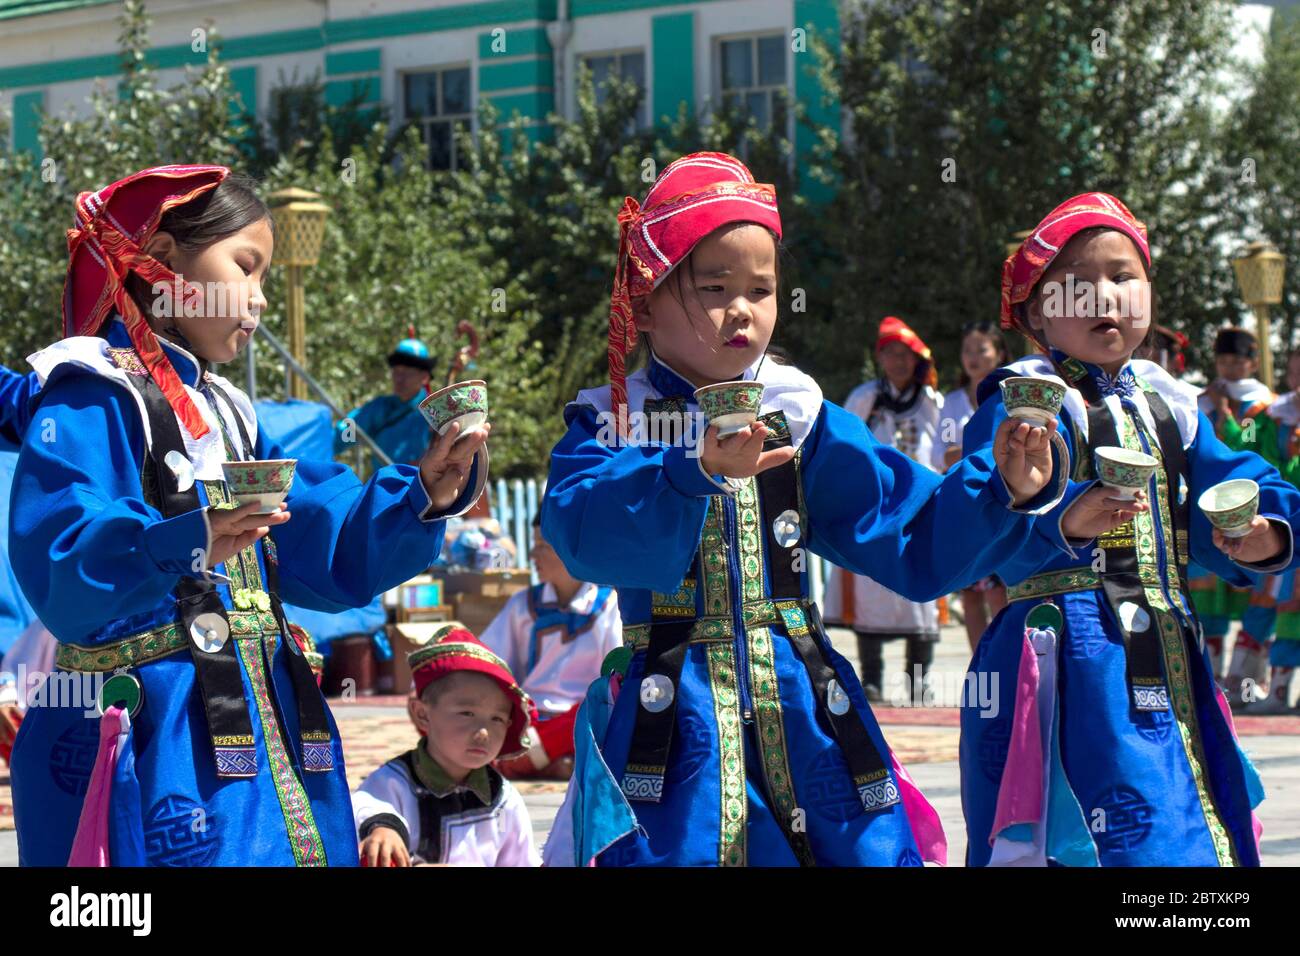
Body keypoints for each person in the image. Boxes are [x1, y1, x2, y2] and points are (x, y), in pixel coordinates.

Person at [540, 151, 1064, 867]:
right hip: (672, 716)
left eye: (761, 289)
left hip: (804, 705)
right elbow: (581, 532)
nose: (742, 310)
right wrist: (688, 472)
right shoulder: (615, 420)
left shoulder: (796, 411)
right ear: (646, 299)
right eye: (715, 286)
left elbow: (905, 530)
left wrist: (1003, 486)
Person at [9, 165, 490, 866]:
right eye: (246, 267)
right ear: (165, 261)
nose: (259, 300)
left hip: (264, 731)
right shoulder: (93, 392)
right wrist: (180, 539)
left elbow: (319, 532)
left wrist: (424, 493)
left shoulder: (231, 413)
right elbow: (62, 551)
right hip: (159, 733)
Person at [960, 192, 1300, 866]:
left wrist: (1266, 532)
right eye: (1077, 287)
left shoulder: (1170, 405)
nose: (1103, 299)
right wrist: (1061, 516)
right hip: (1066, 663)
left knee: (1190, 823)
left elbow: (1249, 483)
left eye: (1123, 278)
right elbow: (978, 515)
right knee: (1094, 835)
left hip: (1168, 652)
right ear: (1034, 313)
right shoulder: (1021, 402)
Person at [823, 316, 944, 703]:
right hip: (874, 507)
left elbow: (944, 447)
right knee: (870, 587)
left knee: (921, 591)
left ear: (916, 358)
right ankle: (871, 678)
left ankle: (917, 680)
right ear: (881, 359)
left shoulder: (931, 401)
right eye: (890, 354)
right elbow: (840, 442)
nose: (898, 362)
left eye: (904, 354)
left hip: (922, 504)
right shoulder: (864, 397)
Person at [352, 625, 541, 866]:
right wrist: (383, 829)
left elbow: (520, 860)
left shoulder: (503, 799)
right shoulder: (395, 782)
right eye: (466, 713)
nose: (483, 732)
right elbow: (367, 807)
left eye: (497, 719)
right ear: (422, 714)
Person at [481, 514, 622, 779]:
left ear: (572, 550)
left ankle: (521, 761)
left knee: (594, 716)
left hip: (577, 718)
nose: (533, 553)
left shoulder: (610, 607)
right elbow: (490, 662)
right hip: (529, 717)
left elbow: (615, 681)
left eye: (543, 545)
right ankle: (552, 761)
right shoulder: (522, 604)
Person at [1195, 327, 1275, 700]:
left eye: (1237, 362)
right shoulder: (1200, 400)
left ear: (1252, 363)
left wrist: (1225, 414)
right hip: (1204, 508)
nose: (1229, 369)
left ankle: (1246, 685)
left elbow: (1244, 448)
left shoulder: (1261, 407)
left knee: (1253, 601)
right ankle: (1209, 684)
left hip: (1249, 508)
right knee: (1209, 602)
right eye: (1223, 361)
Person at [938, 321, 1013, 651]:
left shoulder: (1008, 397)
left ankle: (1004, 659)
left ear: (998, 354)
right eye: (967, 350)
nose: (973, 357)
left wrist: (976, 451)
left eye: (981, 349)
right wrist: (990, 449)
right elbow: (946, 453)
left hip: (1004, 500)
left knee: (999, 591)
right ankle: (979, 667)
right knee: (970, 593)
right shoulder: (952, 401)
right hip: (964, 501)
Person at [334, 331, 436, 470]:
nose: (399, 379)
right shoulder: (380, 408)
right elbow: (347, 431)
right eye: (396, 372)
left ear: (424, 377)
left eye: (407, 373)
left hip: (425, 487)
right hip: (385, 487)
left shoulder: (435, 411)